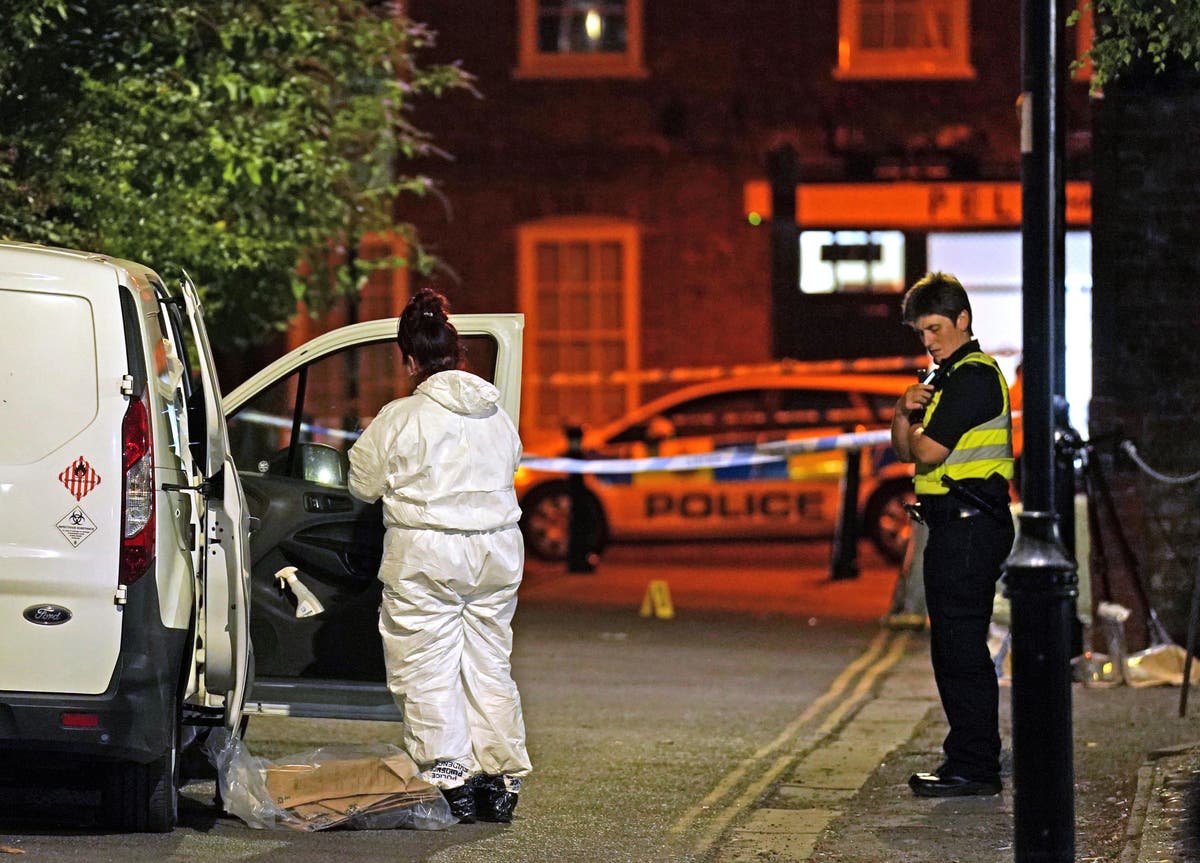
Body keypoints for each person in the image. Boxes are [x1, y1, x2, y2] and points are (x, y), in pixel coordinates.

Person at [347, 287, 531, 823]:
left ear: (409, 361)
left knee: (427, 667)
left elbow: (362, 484)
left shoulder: (401, 417)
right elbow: (510, 467)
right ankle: (500, 779)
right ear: (460, 356)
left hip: (427, 554)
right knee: (488, 664)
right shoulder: (496, 416)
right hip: (497, 551)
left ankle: (452, 780)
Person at [890, 272, 1015, 798]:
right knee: (955, 647)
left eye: (936, 328)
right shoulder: (945, 376)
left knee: (961, 648)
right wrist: (902, 410)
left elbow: (926, 453)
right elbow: (903, 448)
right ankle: (969, 755)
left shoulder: (973, 376)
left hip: (969, 525)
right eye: (922, 332)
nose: (929, 340)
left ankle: (975, 765)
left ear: (963, 319)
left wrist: (913, 428)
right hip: (956, 525)